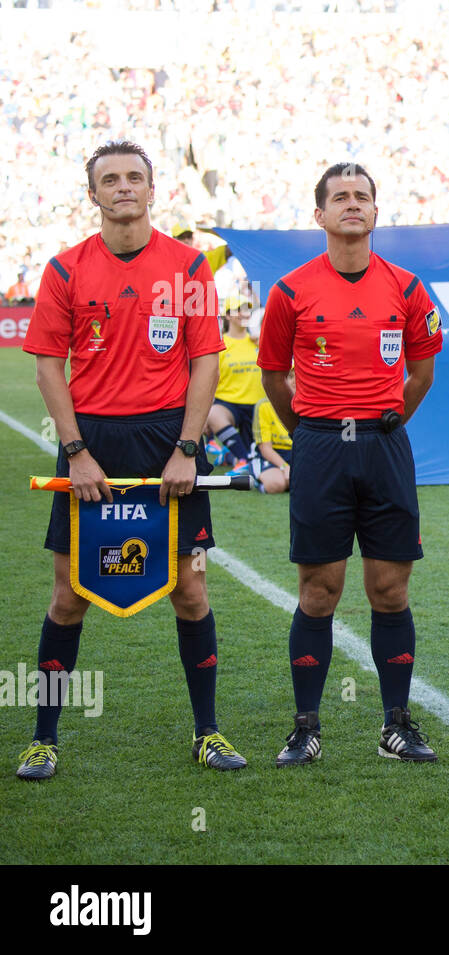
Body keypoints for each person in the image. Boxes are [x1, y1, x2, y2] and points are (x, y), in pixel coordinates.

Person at [17, 140, 246, 779]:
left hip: (167, 440)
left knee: (191, 590)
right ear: (93, 194)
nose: (123, 187)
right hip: (92, 442)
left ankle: (209, 732)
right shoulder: (64, 270)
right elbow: (47, 366)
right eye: (109, 180)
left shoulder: (191, 269)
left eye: (134, 178)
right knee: (69, 597)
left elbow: (205, 360)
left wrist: (187, 449)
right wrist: (77, 453)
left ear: (152, 190)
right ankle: (43, 737)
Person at [258, 162, 442, 766]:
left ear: (376, 211)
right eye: (340, 197)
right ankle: (306, 727)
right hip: (319, 448)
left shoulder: (409, 288)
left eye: (363, 196)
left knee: (389, 590)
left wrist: (387, 423)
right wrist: (310, 435)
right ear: (320, 215)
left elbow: (422, 372)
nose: (352, 205)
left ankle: (396, 725)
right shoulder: (289, 291)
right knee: (319, 591)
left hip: (386, 447)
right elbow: (273, 376)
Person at [205, 297, 261, 473]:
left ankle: (229, 456)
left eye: (247, 309)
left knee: (259, 452)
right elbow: (209, 379)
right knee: (213, 415)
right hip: (229, 404)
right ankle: (244, 461)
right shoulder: (220, 344)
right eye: (238, 309)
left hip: (257, 406)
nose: (244, 314)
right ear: (227, 316)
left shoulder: (259, 341)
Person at [252, 372, 293, 494]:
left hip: (297, 455)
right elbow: (265, 449)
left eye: (299, 377)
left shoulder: (307, 405)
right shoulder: (264, 405)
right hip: (273, 455)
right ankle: (258, 477)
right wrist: (285, 467)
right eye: (290, 377)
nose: (295, 381)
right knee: (275, 485)